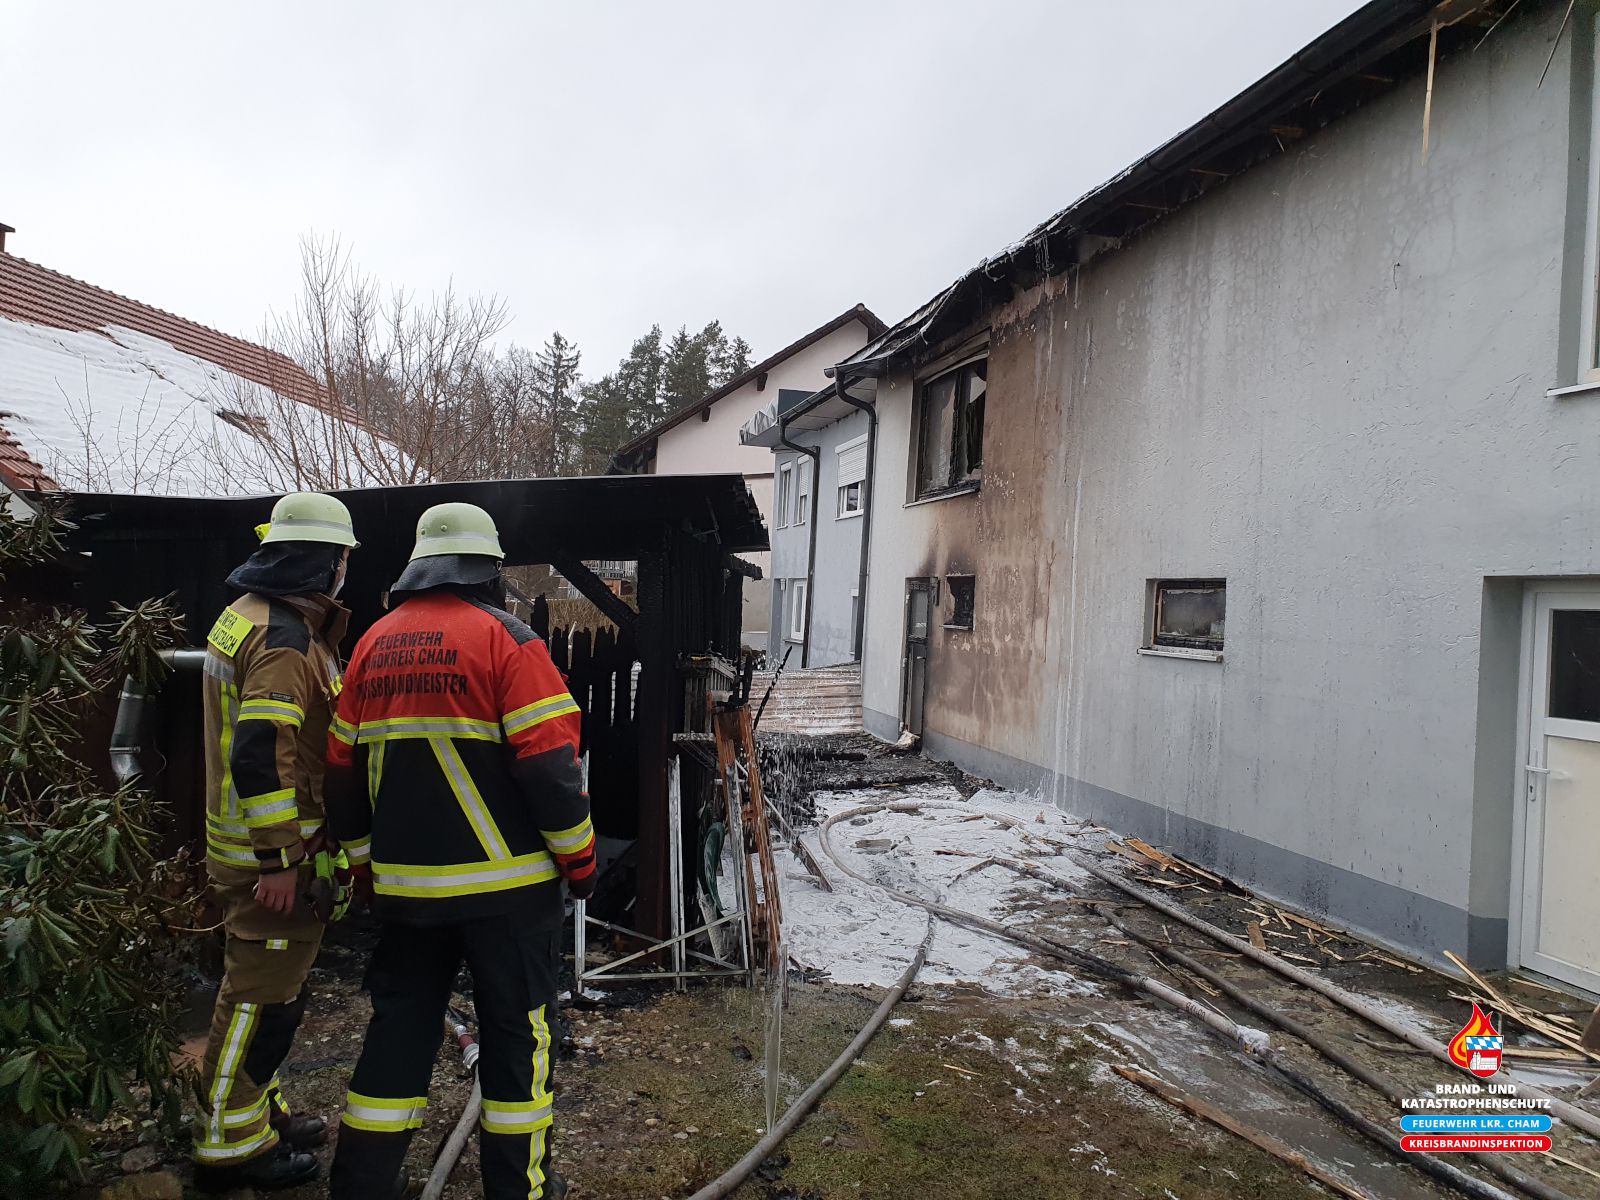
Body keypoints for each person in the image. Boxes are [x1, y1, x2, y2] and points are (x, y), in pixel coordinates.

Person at [326, 502, 596, 1200]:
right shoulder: (508, 641)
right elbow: (549, 768)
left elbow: (341, 774)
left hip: (406, 896)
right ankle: (518, 1190)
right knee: (517, 1040)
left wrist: (361, 869)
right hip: (506, 898)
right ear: (489, 567)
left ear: (419, 566)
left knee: (398, 1037)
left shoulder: (371, 647)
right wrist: (581, 860)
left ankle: (359, 1188)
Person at [193, 492, 358, 1191]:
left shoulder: (248, 618)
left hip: (249, 845)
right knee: (259, 997)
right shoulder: (287, 641)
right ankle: (229, 1141)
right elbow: (262, 752)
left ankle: (256, 1107)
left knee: (268, 992)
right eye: (344, 559)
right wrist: (282, 858)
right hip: (267, 856)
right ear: (327, 563)